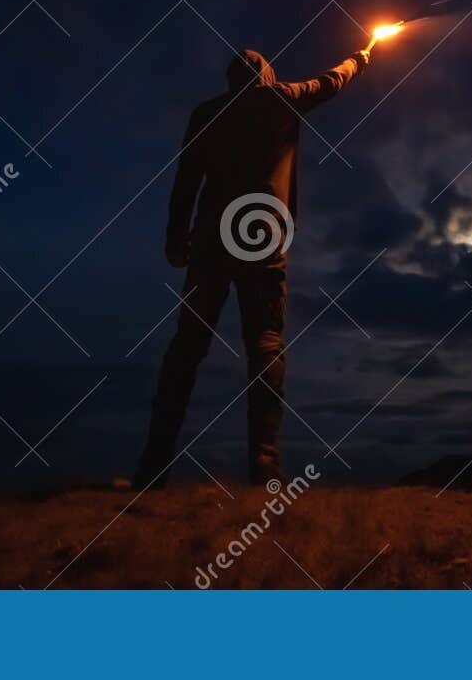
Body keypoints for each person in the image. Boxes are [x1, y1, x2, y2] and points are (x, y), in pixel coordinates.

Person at [135, 43, 373, 488]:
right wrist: (359, 59)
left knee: (188, 345)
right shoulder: (284, 98)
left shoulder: (206, 114)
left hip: (211, 238)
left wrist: (175, 235)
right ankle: (264, 467)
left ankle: (152, 468)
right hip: (262, 238)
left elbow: (186, 177)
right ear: (265, 75)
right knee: (265, 341)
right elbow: (333, 81)